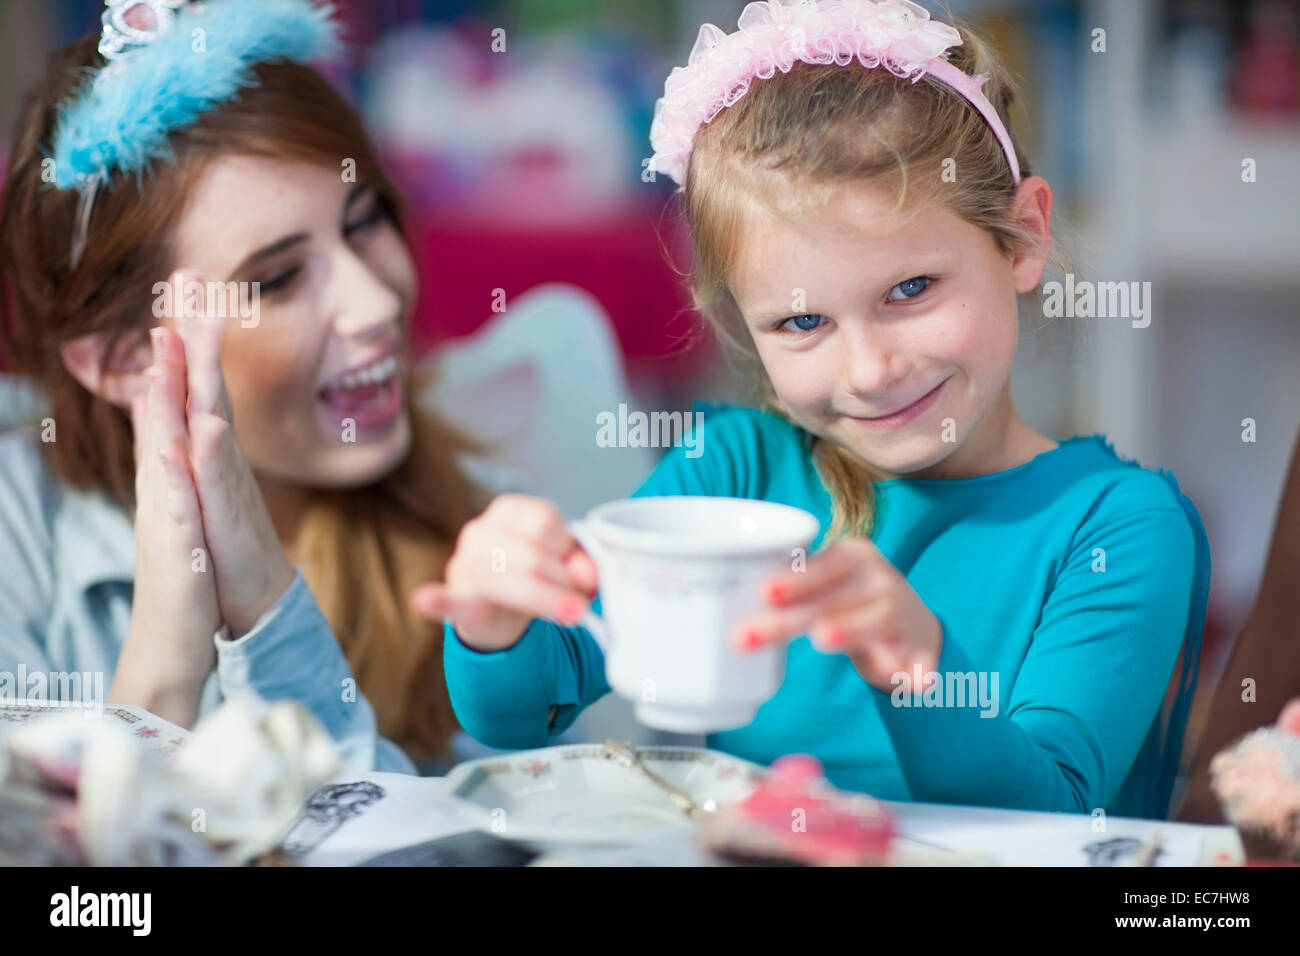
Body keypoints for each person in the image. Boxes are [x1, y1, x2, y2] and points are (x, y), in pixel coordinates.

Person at [414, 0, 1212, 817]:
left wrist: (921, 670)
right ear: (743, 325)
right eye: (803, 322)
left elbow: (1054, 807)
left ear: (1022, 238)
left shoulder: (1116, 525)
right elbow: (526, 710)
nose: (869, 370)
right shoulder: (732, 471)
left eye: (911, 289)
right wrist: (494, 620)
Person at [0, 0, 486, 774]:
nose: (378, 304)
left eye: (364, 222)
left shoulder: (483, 523)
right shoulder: (15, 528)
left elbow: (470, 849)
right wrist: (164, 665)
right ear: (125, 358)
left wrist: (267, 607)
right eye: (280, 278)